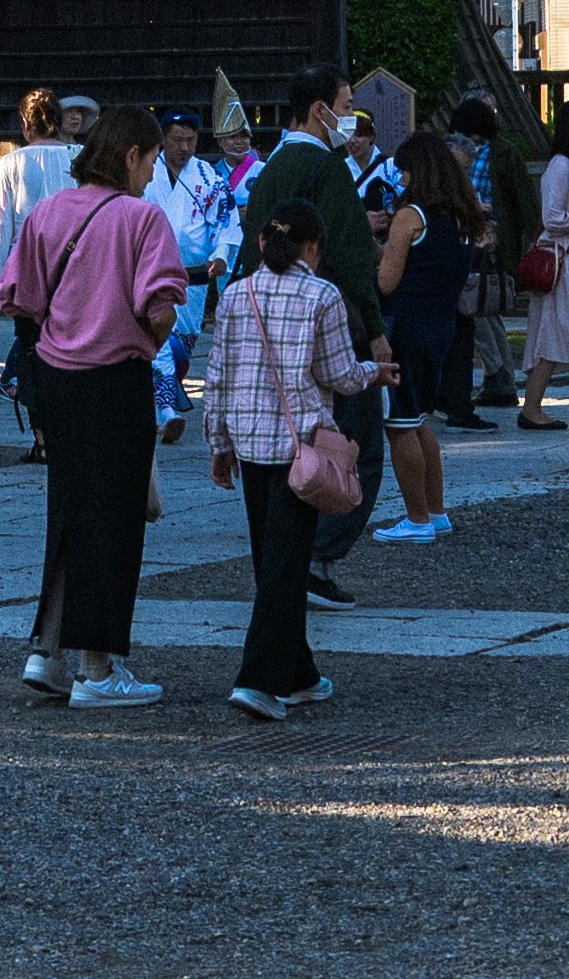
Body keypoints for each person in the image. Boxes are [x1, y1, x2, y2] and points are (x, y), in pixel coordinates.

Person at [0, 102, 185, 709]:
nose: (154, 174)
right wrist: (147, 339)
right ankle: (98, 669)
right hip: (115, 379)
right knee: (115, 523)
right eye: (152, 160)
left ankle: (45, 651)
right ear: (131, 155)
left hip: (56, 378)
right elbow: (160, 308)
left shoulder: (50, 211)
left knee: (71, 515)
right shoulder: (141, 219)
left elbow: (16, 296)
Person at [200, 197, 368, 720]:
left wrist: (218, 443)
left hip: (249, 442)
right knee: (286, 563)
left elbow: (218, 375)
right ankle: (260, 680)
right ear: (312, 247)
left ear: (261, 243)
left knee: (271, 560)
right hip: (301, 448)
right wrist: (373, 372)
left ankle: (299, 673)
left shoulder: (236, 293)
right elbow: (339, 375)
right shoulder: (323, 296)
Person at [248, 69, 396, 595]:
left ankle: (290, 558)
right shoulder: (328, 169)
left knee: (294, 445)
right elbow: (353, 260)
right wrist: (376, 333)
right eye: (345, 103)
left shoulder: (268, 171)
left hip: (275, 327)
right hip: (331, 325)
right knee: (354, 448)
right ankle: (320, 556)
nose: (350, 115)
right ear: (319, 110)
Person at [371, 129, 485, 541]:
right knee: (420, 421)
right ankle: (435, 511)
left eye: (402, 171)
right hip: (441, 325)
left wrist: (372, 247)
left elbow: (386, 281)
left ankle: (416, 519)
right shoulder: (461, 219)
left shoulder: (410, 215)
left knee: (400, 423)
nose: (399, 179)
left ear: (416, 171)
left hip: (404, 326)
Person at [0, 90, 77, 457]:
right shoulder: (80, 158)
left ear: (25, 123)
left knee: (31, 352)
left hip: (26, 269)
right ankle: (70, 429)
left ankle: (42, 437)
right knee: (72, 352)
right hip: (74, 269)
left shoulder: (11, 164)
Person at [144, 108, 233, 443]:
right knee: (159, 341)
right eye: (177, 139)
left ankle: (157, 409)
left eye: (190, 140)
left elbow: (226, 223)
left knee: (181, 344)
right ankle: (167, 410)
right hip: (151, 272)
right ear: (163, 139)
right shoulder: (146, 173)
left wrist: (221, 254)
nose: (184, 147)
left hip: (193, 278)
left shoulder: (207, 178)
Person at [448, 94, 541, 414]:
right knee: (486, 311)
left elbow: (524, 201)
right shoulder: (464, 153)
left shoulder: (504, 154)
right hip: (470, 238)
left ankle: (498, 373)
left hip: (492, 241)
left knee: (476, 309)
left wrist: (532, 241)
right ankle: (500, 376)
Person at [512, 107, 569, 431]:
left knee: (553, 331)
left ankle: (533, 406)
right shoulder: (561, 166)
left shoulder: (561, 165)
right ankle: (532, 407)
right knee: (553, 332)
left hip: (561, 259)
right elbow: (553, 218)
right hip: (560, 263)